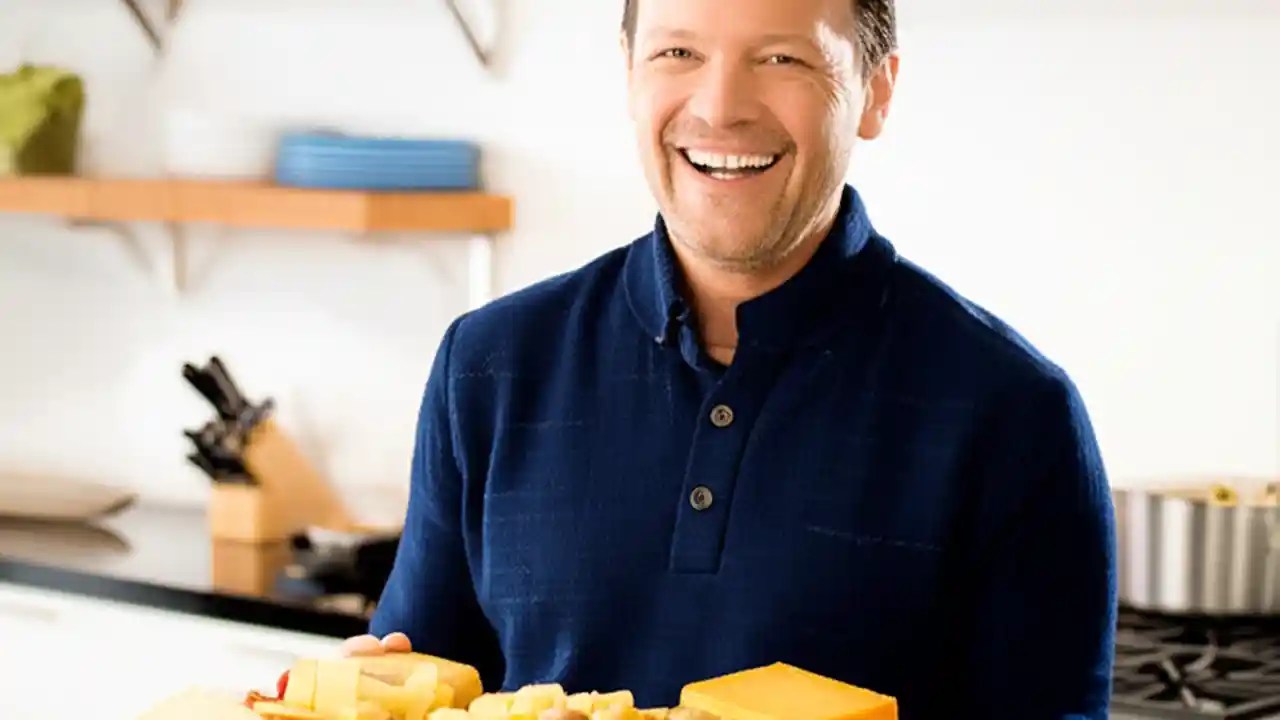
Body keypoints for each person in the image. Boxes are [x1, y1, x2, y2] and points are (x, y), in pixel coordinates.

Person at [351, 0, 1119, 717]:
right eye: (678, 52)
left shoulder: (1016, 415)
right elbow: (427, 680)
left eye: (782, 59)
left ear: (876, 91)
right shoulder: (488, 367)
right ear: (628, 72)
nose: (720, 108)